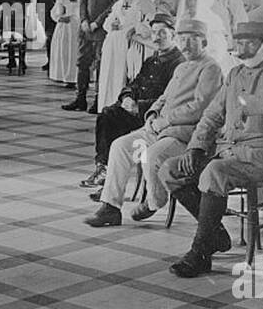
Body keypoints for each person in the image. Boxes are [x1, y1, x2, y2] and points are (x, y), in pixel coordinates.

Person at [159, 20, 263, 277]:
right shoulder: (235, 74)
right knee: (170, 169)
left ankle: (200, 253)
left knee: (215, 172)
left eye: (250, 42)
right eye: (240, 42)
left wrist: (255, 103)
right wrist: (196, 147)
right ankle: (214, 233)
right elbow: (212, 115)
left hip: (258, 158)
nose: (243, 48)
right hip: (225, 153)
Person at [84, 17, 224, 226]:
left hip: (184, 135)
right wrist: (151, 114)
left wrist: (164, 121)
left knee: (151, 156)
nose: (185, 45)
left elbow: (199, 108)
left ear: (203, 42)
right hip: (159, 129)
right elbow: (164, 98)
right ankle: (111, 207)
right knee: (120, 146)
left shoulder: (210, 68)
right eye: (182, 39)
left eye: (191, 40)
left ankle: (153, 202)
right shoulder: (183, 67)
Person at [79, 12, 184, 190]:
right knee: (108, 114)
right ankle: (104, 169)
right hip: (137, 111)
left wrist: (139, 107)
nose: (156, 38)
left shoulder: (178, 63)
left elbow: (170, 100)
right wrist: (127, 97)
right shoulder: (152, 59)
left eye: (162, 34)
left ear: (173, 35)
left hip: (154, 118)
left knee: (117, 131)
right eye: (154, 33)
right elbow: (134, 83)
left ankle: (112, 180)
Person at [62, 0, 123, 113]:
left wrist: (97, 22)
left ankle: (98, 100)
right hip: (85, 30)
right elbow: (83, 0)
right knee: (82, 63)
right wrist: (83, 20)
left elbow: (115, 4)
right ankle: (80, 99)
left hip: (101, 31)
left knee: (100, 65)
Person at [95, 0, 155, 110]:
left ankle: (122, 106)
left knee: (123, 76)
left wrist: (135, 28)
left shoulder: (144, 4)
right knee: (110, 75)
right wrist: (111, 24)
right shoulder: (119, 4)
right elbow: (106, 23)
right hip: (113, 45)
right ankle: (107, 105)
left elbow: (149, 26)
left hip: (129, 44)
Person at [36, 0, 68, 74]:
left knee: (60, 37)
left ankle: (59, 62)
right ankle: (50, 61)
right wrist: (39, 12)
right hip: (46, 11)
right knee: (49, 37)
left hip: (60, 12)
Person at [0, 0, 33, 71]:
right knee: (8, 36)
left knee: (21, 37)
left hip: (20, 13)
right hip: (7, 13)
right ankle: (11, 59)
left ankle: (22, 60)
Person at [48, 0, 81, 85]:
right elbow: (54, 13)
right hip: (65, 29)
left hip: (77, 27)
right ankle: (63, 76)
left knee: (75, 51)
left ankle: (76, 77)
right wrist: (60, 18)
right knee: (65, 52)